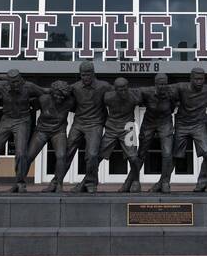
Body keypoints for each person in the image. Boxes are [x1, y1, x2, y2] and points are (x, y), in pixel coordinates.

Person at [57, 60, 110, 193]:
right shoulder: (75, 87)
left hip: (95, 124)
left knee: (92, 154)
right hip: (79, 123)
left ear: (93, 73)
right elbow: (59, 95)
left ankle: (91, 182)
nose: (85, 77)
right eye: (82, 75)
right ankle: (56, 182)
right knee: (66, 152)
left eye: (88, 74)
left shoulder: (104, 86)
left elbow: (120, 95)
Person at [120, 71, 177, 193]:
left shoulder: (172, 93)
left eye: (165, 84)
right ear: (155, 84)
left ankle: (165, 182)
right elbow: (129, 95)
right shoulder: (146, 92)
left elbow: (172, 107)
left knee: (167, 153)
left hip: (165, 122)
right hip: (149, 123)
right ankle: (130, 182)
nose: (162, 87)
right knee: (141, 153)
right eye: (160, 84)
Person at [171, 67, 207, 193]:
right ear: (191, 79)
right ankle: (164, 181)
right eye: (197, 79)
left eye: (202, 79)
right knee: (174, 155)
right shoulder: (182, 87)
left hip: (198, 125)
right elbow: (166, 90)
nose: (199, 81)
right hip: (182, 125)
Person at [15, 80, 74, 193]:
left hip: (58, 132)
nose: (59, 97)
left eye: (62, 96)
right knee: (28, 156)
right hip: (41, 131)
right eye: (57, 94)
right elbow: (26, 105)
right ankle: (19, 183)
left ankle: (58, 184)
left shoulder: (70, 102)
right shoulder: (43, 99)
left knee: (61, 156)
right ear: (52, 93)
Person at [88, 77, 141, 192]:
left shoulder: (135, 97)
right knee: (97, 157)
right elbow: (98, 108)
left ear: (128, 88)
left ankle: (136, 181)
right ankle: (91, 180)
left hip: (128, 127)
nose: (122, 92)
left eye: (124, 89)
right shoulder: (108, 97)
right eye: (119, 89)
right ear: (115, 89)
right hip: (111, 127)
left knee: (133, 157)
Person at [0, 69, 34, 192]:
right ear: (8, 82)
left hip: (22, 120)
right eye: (13, 82)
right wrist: (3, 75)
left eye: (18, 81)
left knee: (21, 153)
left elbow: (45, 92)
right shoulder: (1, 86)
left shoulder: (29, 87)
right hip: (6, 119)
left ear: (21, 80)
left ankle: (20, 182)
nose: (16, 85)